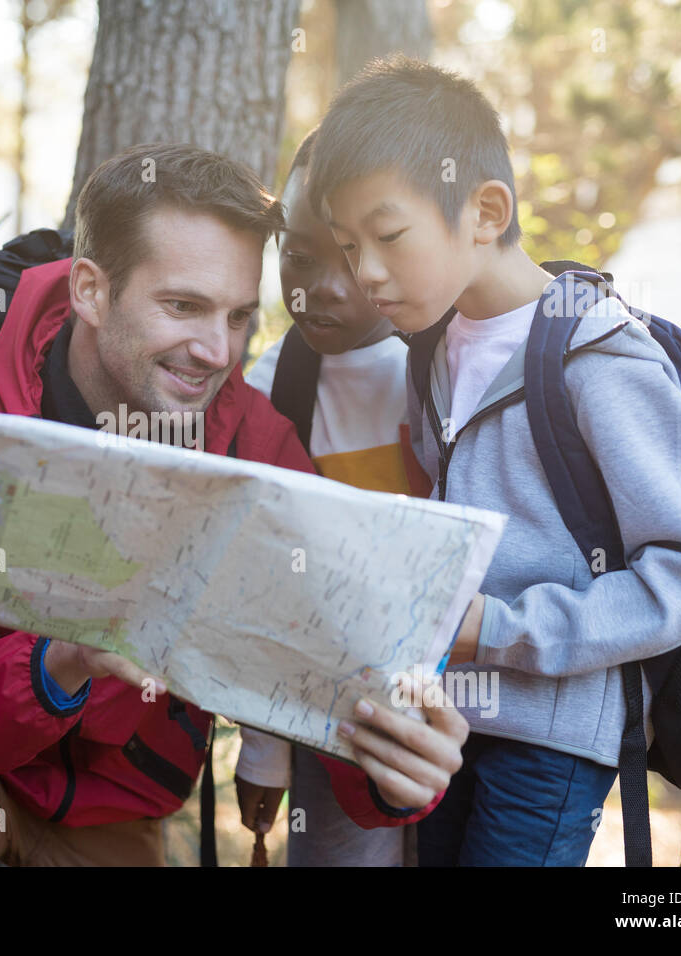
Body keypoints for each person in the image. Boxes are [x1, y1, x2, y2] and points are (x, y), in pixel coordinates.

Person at [0, 143, 469, 867]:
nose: (215, 351)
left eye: (239, 317)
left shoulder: (251, 441)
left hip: (117, 811)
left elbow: (329, 673)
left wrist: (397, 771)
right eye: (183, 306)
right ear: (91, 289)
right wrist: (63, 660)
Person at [305, 54, 681, 866]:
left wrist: (500, 630)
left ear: (486, 209)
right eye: (346, 244)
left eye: (388, 235)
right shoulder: (430, 352)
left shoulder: (597, 354)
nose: (365, 272)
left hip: (549, 739)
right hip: (444, 721)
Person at [238, 127, 432, 866]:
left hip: (469, 720)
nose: (316, 285)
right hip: (339, 730)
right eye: (297, 255)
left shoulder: (444, 372)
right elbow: (263, 585)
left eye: (346, 258)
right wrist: (264, 753)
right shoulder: (275, 384)